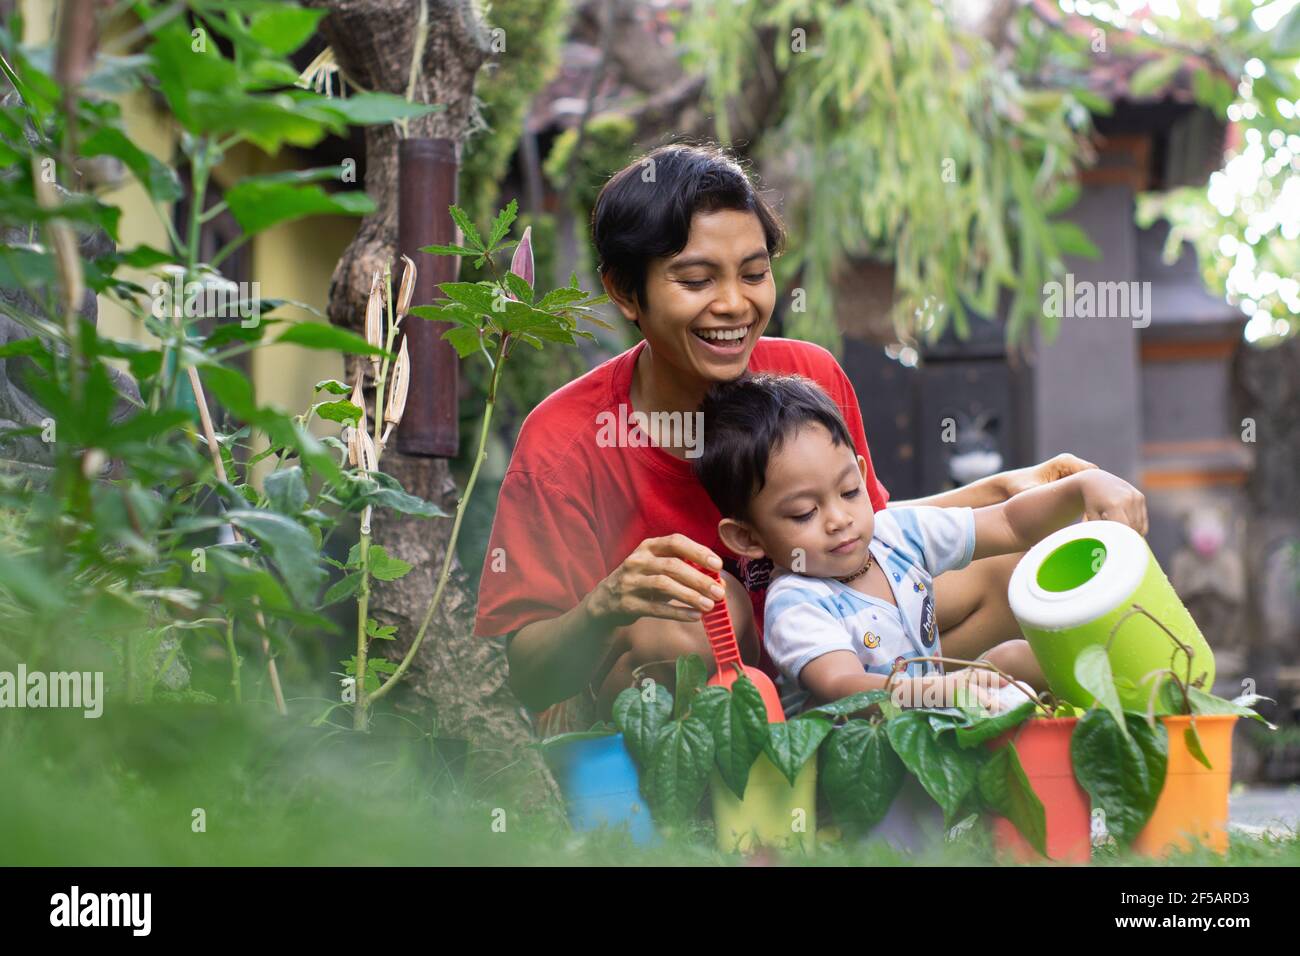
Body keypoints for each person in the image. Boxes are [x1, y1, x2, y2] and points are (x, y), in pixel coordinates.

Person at [472, 143, 1147, 735]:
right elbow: (529, 677)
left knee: (1015, 573)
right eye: (696, 280)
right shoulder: (565, 442)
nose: (734, 304)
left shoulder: (806, 375)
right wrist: (602, 604)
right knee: (696, 615)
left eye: (754, 272)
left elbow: (875, 538)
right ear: (625, 291)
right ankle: (712, 817)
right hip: (675, 709)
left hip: (830, 662)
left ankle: (935, 734)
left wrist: (1046, 486)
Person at [695, 373, 1148, 713]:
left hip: (926, 717)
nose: (839, 520)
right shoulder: (797, 602)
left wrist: (1083, 486)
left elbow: (1009, 524)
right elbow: (842, 686)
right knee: (987, 688)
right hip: (857, 757)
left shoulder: (895, 536)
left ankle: (1122, 721)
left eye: (850, 492)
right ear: (748, 538)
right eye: (804, 514)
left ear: (859, 473)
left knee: (1021, 658)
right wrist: (942, 690)